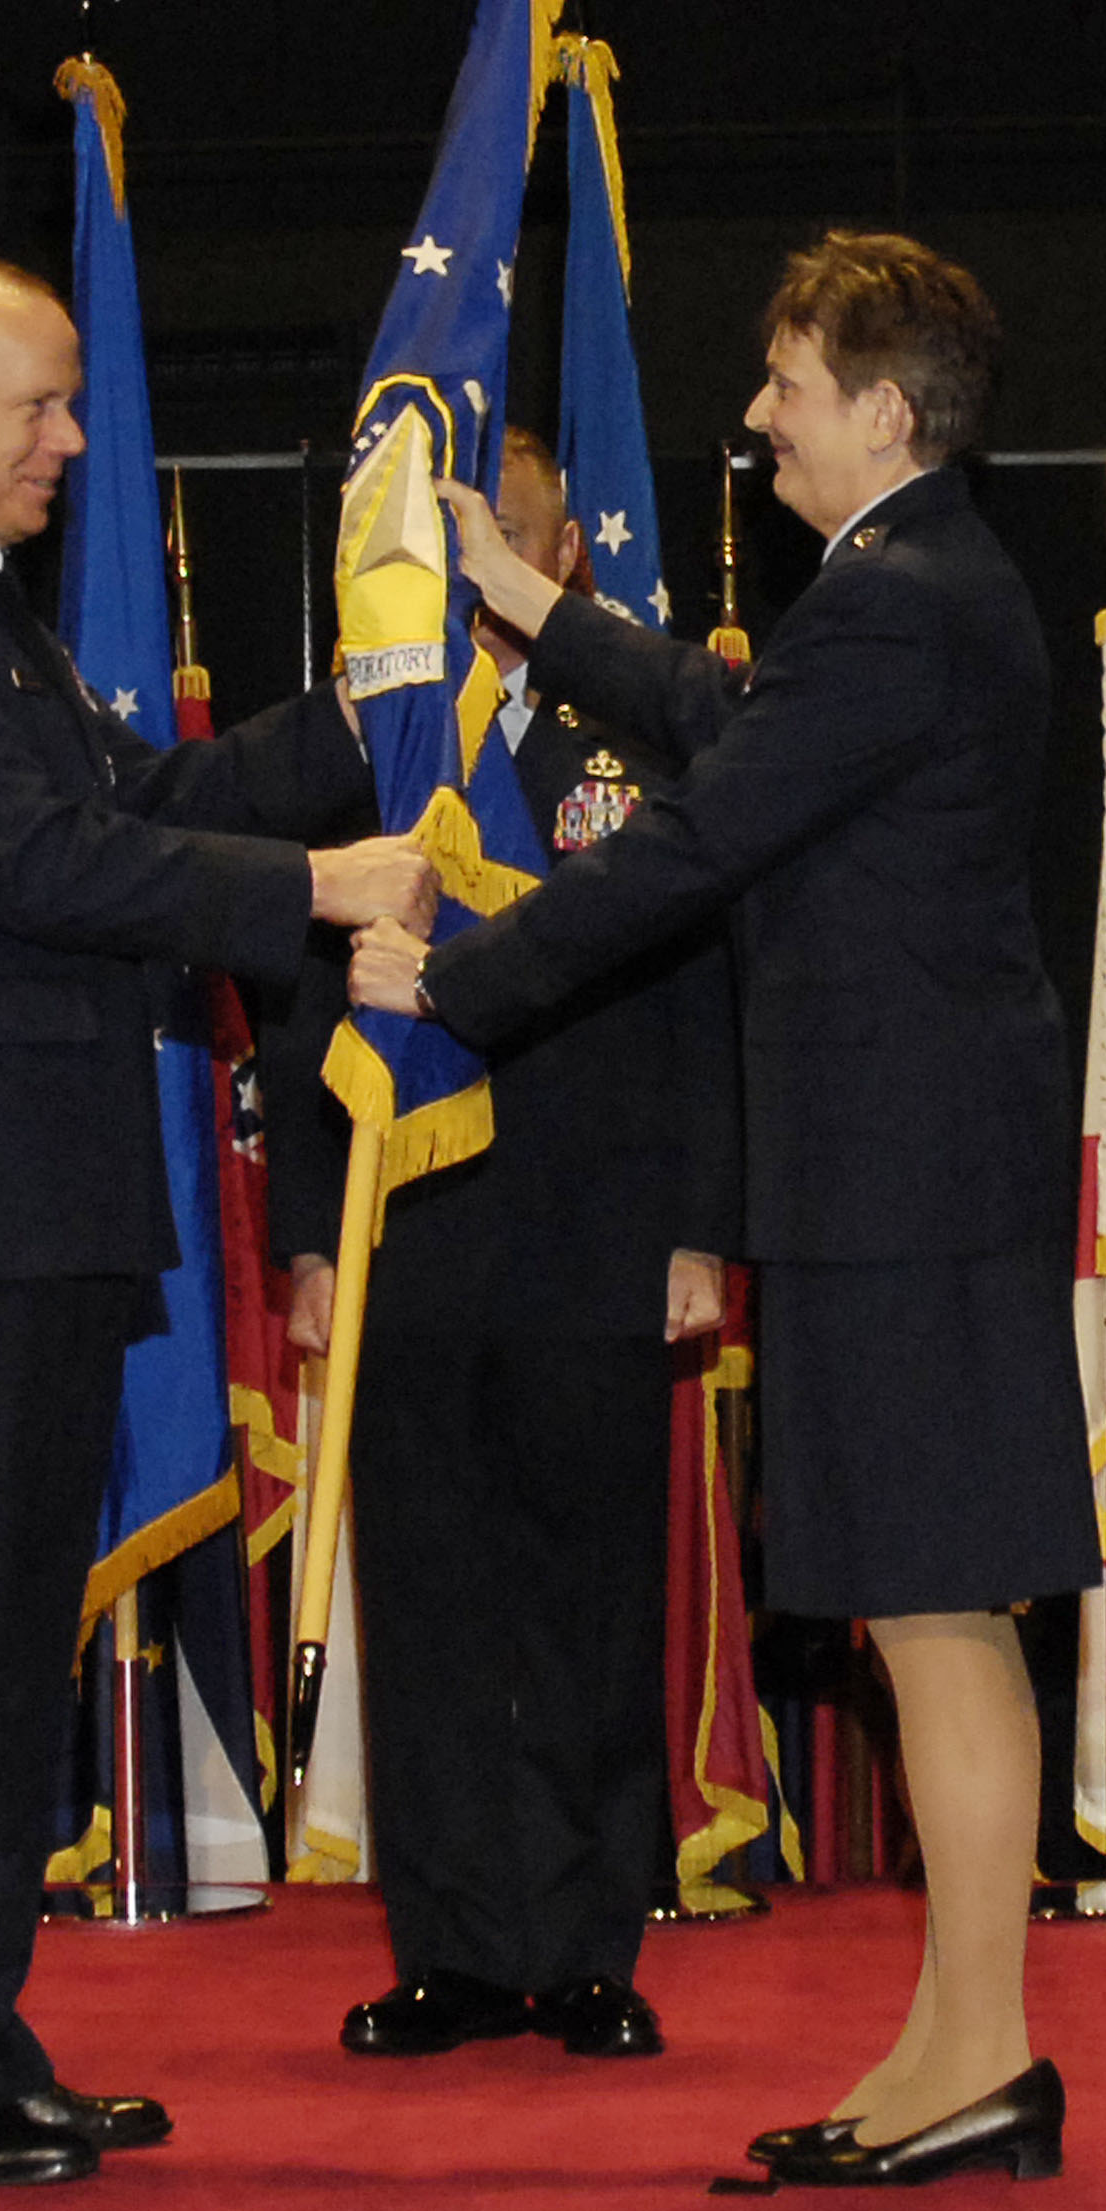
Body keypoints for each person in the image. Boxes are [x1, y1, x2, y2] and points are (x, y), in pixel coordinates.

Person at [352, 232, 1097, 2189]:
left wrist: (458, 978)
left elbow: (699, 837)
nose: (757, 419)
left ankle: (984, 2057)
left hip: (910, 1189)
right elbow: (721, 723)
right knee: (927, 1618)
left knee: (941, 1616)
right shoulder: (905, 587)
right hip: (901, 1182)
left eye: (784, 384)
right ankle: (959, 2048)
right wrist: (527, 600)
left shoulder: (902, 600)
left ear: (881, 404)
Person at [0, 250, 436, 2189]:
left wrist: (380, 704)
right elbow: (40, 861)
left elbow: (148, 793)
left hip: (21, 1197)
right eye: (40, 403)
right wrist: (313, 883)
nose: (69, 440)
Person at [263, 426, 738, 2066]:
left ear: (565, 558)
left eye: (504, 548)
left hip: (600, 1213)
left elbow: (701, 989)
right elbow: (303, 990)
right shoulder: (384, 735)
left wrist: (701, 1227)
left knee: (593, 1597)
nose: (472, 589)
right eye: (451, 557)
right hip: (411, 1219)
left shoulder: (642, 740)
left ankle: (594, 1939)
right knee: (433, 1590)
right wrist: (308, 1233)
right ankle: (456, 1945)